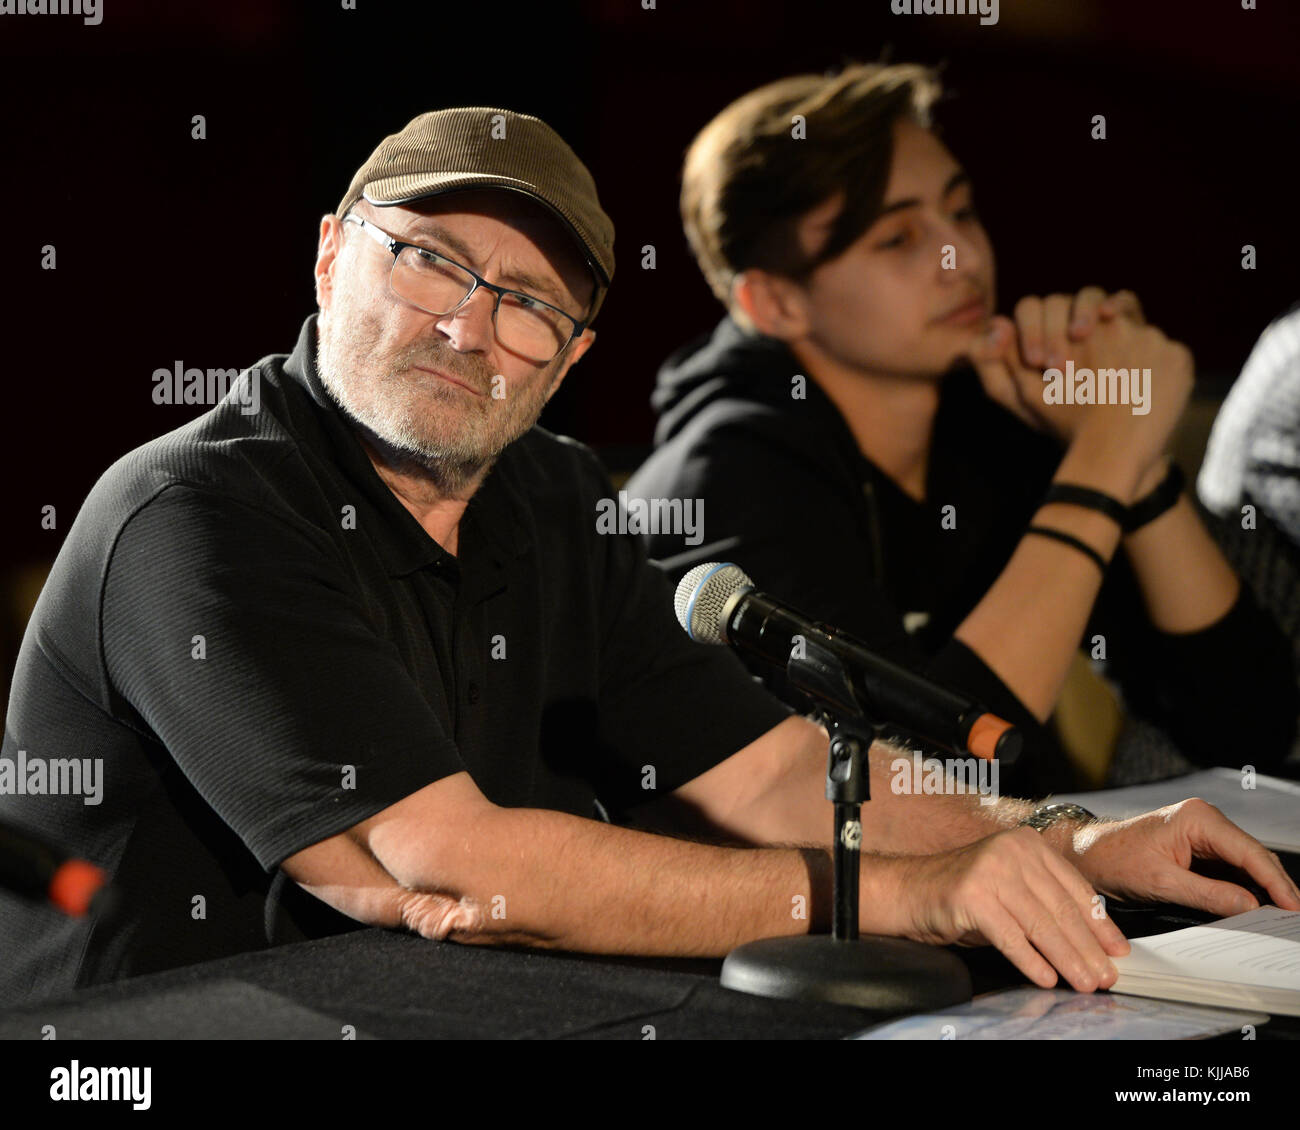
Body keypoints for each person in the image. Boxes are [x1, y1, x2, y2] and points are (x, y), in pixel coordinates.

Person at [2, 108, 1296, 1012]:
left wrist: (1064, 844)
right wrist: (925, 896)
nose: (467, 322)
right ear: (333, 251)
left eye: (529, 302)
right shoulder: (193, 512)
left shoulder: (555, 492)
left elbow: (782, 774)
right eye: (431, 259)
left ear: (569, 359)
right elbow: (457, 863)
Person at [624, 64, 1298, 795]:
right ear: (776, 302)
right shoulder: (728, 478)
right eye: (899, 238)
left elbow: (1250, 724)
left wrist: (1138, 468)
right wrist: (1105, 454)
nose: (963, 259)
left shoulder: (989, 419)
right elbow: (914, 783)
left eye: (963, 211)